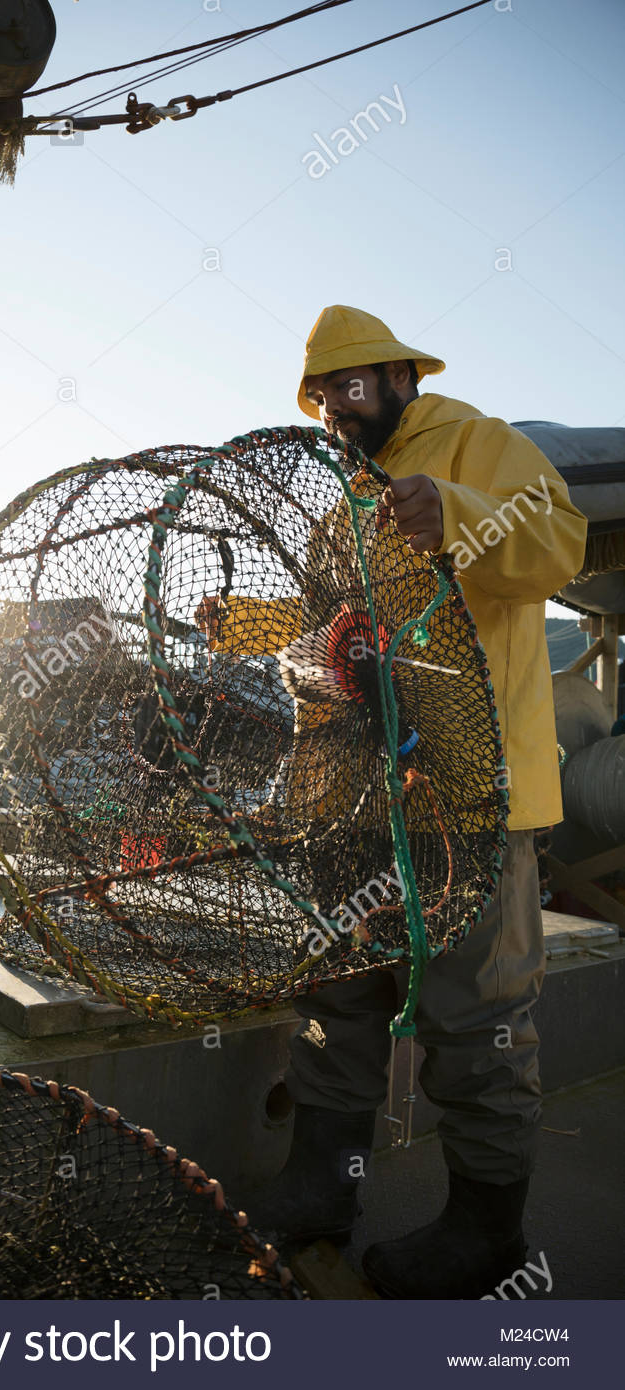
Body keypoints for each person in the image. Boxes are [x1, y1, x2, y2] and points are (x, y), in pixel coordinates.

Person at [197, 305, 587, 1298]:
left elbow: (557, 547)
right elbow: (333, 624)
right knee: (335, 998)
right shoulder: (341, 495)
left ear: (399, 378)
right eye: (319, 394)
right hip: (351, 801)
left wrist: (453, 512)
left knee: (477, 1017)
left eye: (349, 387)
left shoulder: (476, 444)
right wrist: (251, 620)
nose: (333, 406)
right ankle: (320, 1183)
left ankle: (483, 1232)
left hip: (469, 801)